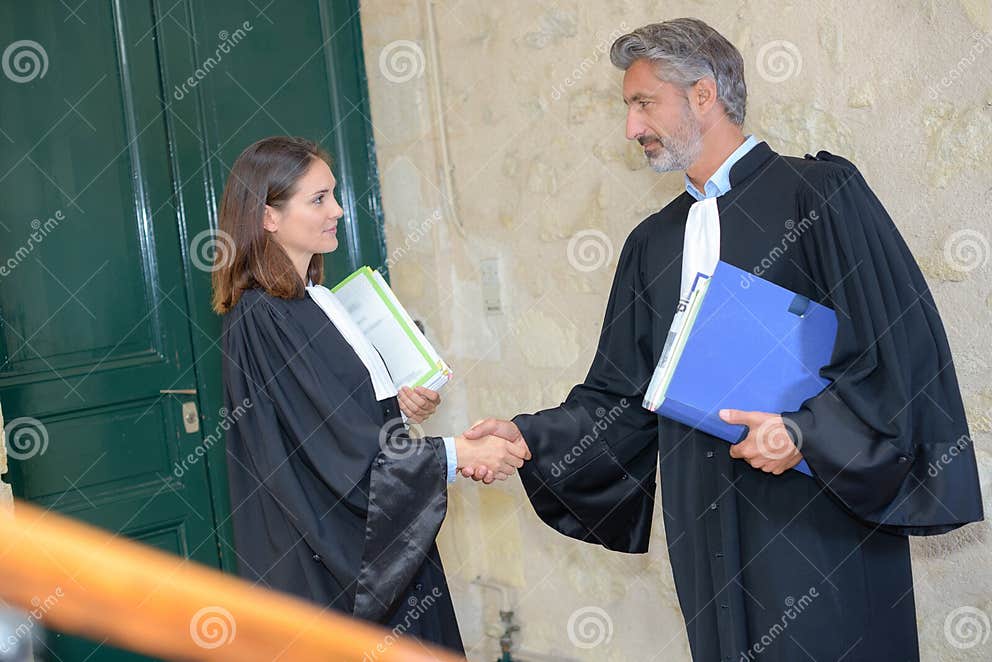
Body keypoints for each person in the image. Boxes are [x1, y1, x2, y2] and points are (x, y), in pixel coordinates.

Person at [462, 18, 984, 662]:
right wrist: (530, 435)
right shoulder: (651, 243)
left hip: (816, 521)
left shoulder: (818, 196)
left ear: (704, 95)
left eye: (643, 102)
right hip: (703, 527)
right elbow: (622, 398)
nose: (631, 128)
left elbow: (895, 357)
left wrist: (804, 434)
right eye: (629, 107)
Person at [212, 136, 529, 652]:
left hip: (380, 544)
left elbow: (336, 417)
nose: (338, 210)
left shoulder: (312, 302)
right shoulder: (264, 315)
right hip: (330, 560)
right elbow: (335, 453)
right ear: (268, 216)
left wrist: (395, 405)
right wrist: (457, 453)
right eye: (318, 199)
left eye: (333, 194)